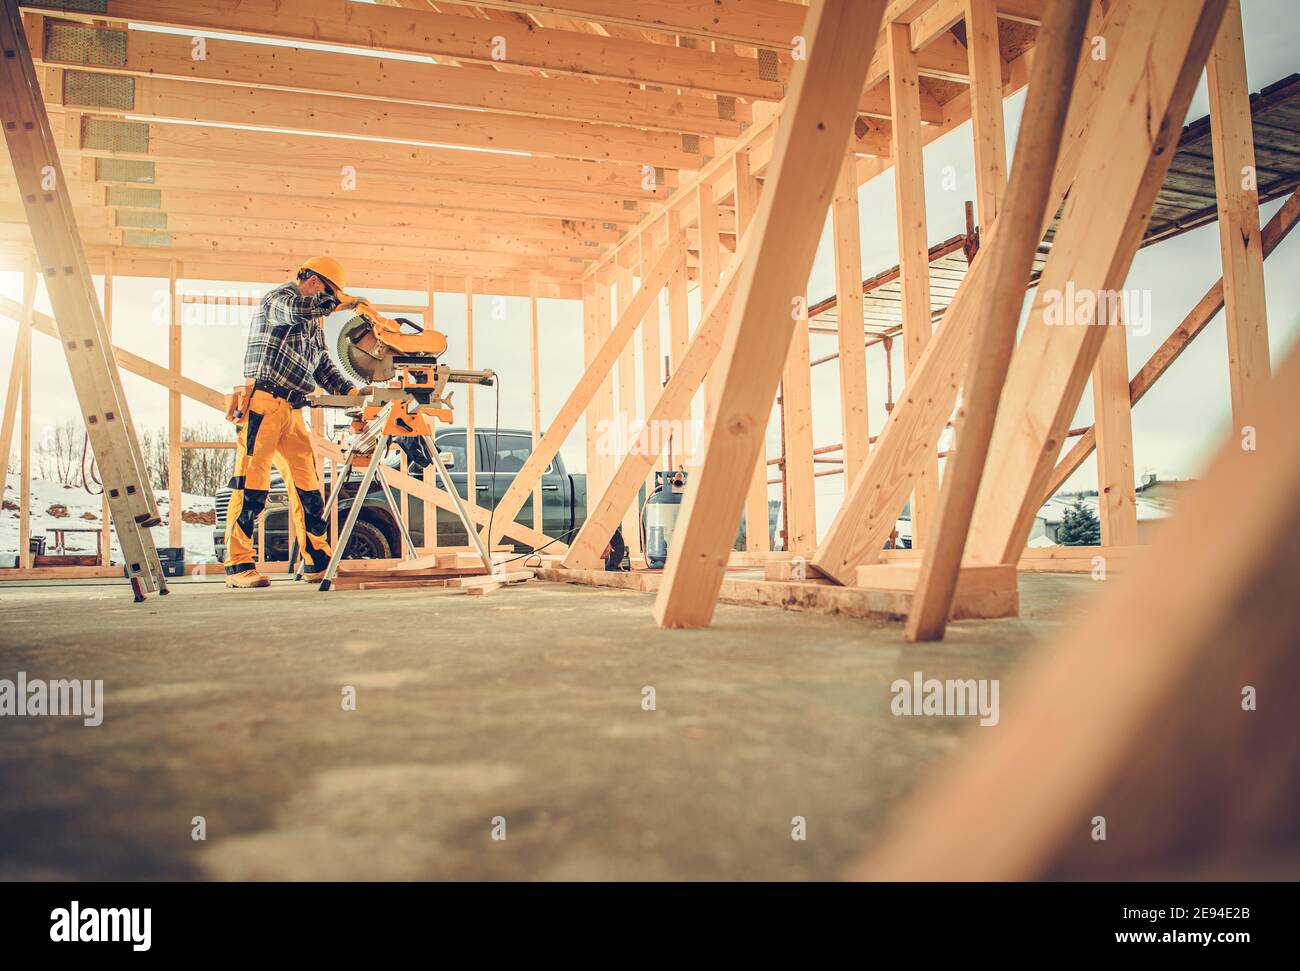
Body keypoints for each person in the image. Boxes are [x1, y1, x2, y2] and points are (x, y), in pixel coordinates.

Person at [223, 257, 368, 589]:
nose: (330, 307)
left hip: (292, 410)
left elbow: (323, 366)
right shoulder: (279, 300)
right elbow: (296, 311)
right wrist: (346, 303)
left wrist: (353, 392)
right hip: (262, 402)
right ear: (315, 283)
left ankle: (316, 560)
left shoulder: (314, 324)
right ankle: (238, 564)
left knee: (308, 488)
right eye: (330, 294)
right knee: (251, 484)